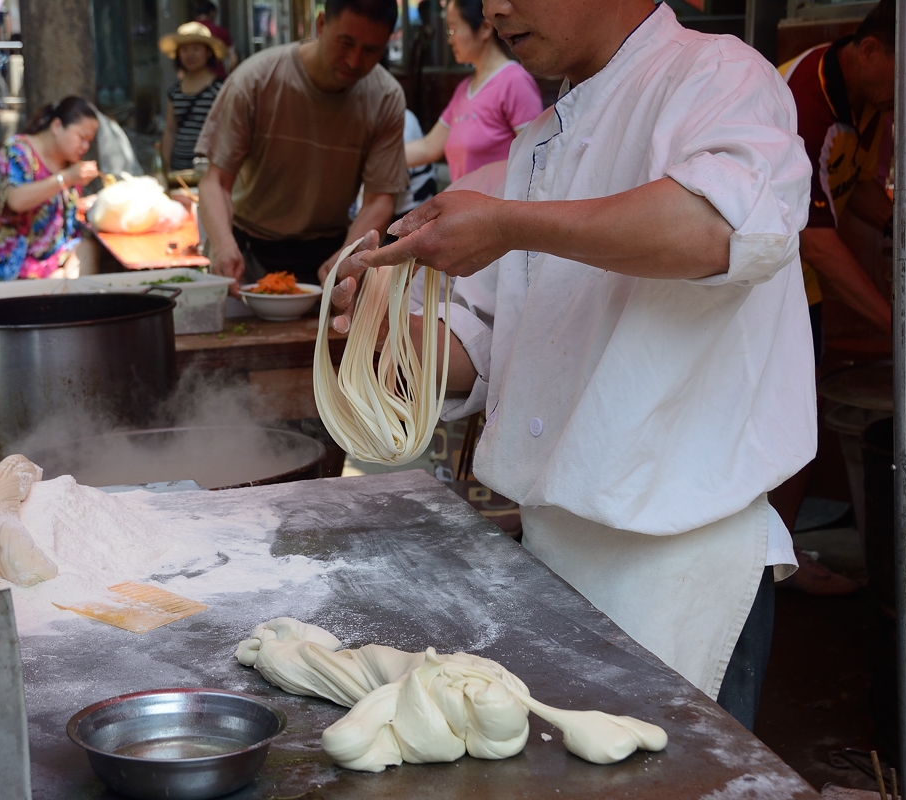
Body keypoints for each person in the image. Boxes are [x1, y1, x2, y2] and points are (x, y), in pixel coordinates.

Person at [330, 0, 815, 731]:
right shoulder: (540, 145)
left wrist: (512, 223)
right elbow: (488, 354)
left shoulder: (716, 77)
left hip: (678, 567)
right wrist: (387, 331)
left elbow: (721, 229)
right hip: (556, 557)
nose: (495, 9)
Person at [770, 0, 906, 595]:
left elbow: (851, 194)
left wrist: (905, 221)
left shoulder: (870, 101)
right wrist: (899, 326)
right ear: (872, 49)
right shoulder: (804, 99)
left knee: (800, 424)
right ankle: (762, 567)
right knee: (778, 425)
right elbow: (815, 238)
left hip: (801, 284)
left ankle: (779, 556)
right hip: (759, 289)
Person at [196, 0, 408, 295]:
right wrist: (222, 246)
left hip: (330, 254)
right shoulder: (256, 79)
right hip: (249, 253)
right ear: (321, 25)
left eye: (371, 50)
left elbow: (379, 200)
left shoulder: (385, 97)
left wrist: (348, 255)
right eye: (345, 43)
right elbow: (215, 181)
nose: (354, 61)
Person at [404, 0, 541, 182]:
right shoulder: (464, 89)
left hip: (495, 208)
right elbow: (429, 147)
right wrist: (374, 157)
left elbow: (535, 159)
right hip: (464, 207)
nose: (449, 39)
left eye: (453, 29)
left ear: (485, 28)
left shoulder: (514, 81)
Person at [0, 96, 100, 282]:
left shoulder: (68, 163)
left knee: (88, 250)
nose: (85, 146)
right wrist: (65, 178)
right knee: (68, 278)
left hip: (55, 257)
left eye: (89, 141)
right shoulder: (17, 152)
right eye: (82, 138)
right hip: (13, 263)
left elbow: (56, 211)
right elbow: (16, 201)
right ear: (57, 126)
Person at [160, 22, 227, 176]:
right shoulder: (174, 91)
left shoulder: (219, 89)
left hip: (209, 169)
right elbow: (170, 130)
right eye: (184, 49)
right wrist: (166, 165)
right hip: (179, 169)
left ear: (208, 53)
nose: (190, 54)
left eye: (196, 49)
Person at [193, 1, 239, 78]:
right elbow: (233, 59)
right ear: (212, 13)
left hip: (193, 79)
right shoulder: (220, 31)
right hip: (217, 77)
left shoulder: (187, 32)